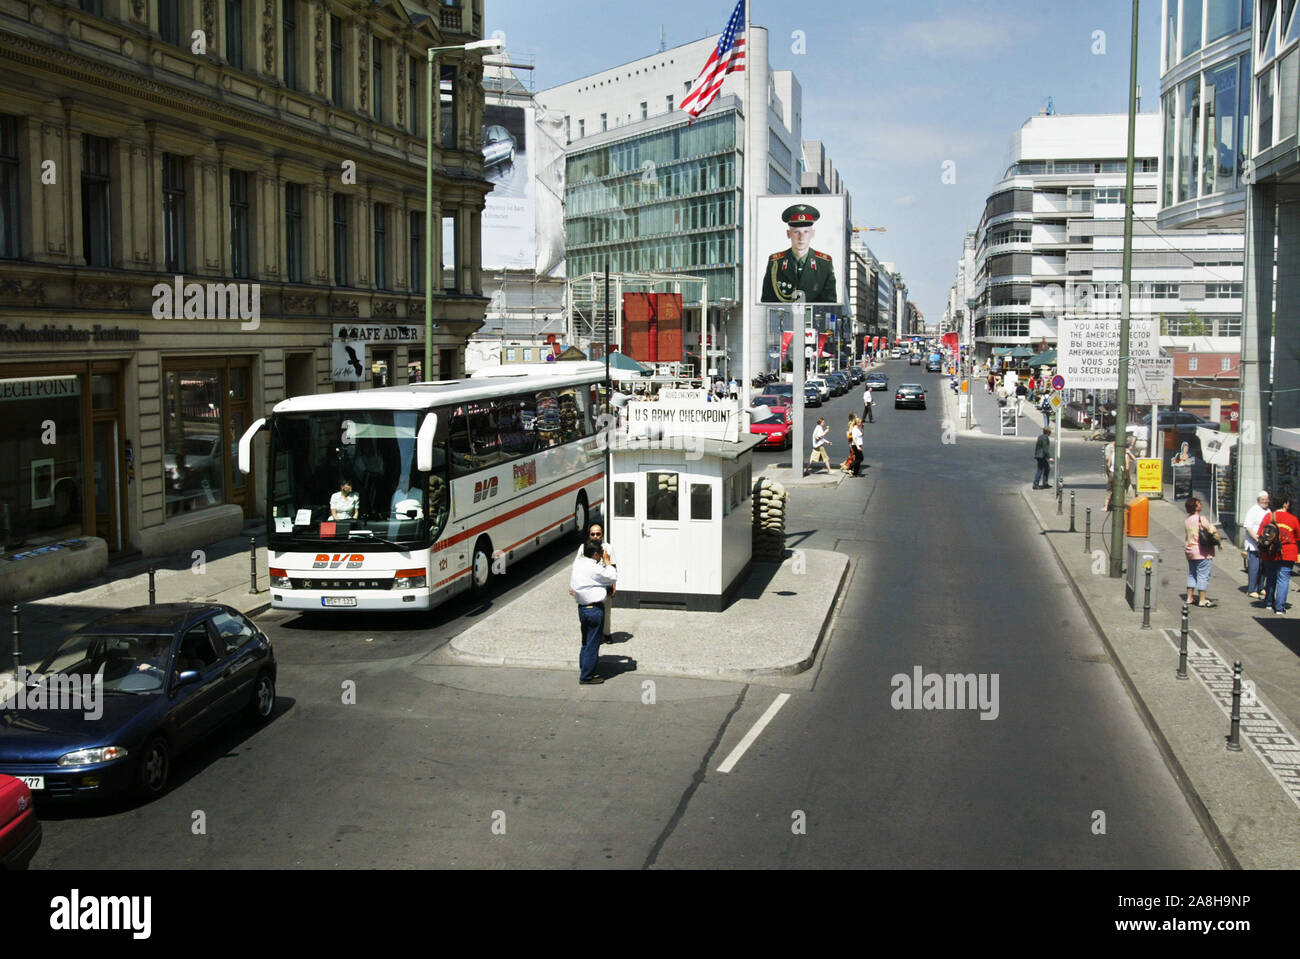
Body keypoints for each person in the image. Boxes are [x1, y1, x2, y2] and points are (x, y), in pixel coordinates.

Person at [760, 204, 837, 303]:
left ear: (812, 234)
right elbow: (767, 300)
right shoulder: (776, 262)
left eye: (806, 232)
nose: (801, 237)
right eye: (796, 232)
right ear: (788, 234)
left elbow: (830, 302)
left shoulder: (824, 263)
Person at [570, 539, 617, 684]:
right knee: (593, 643)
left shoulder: (578, 564)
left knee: (585, 641)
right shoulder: (595, 568)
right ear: (596, 554)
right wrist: (607, 562)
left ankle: (584, 667)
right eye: (601, 554)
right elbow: (612, 576)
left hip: (582, 608)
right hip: (595, 609)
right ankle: (586, 676)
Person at [1258, 489, 1299, 615]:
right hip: (1287, 552)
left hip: (1270, 552)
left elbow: (1261, 534)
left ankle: (1269, 603)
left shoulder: (1269, 516)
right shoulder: (1293, 519)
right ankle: (1280, 608)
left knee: (1270, 577)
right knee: (1284, 579)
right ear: (1286, 503)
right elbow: (1297, 536)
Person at [1184, 496, 1221, 608]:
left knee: (1192, 574)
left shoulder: (1187, 520)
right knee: (1203, 575)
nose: (1201, 505)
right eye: (1199, 503)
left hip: (1190, 550)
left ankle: (1189, 597)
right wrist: (1219, 541)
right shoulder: (1201, 518)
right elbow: (1211, 530)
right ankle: (1202, 599)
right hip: (1202, 551)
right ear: (1195, 507)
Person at [1243, 490, 1271, 599]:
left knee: (1263, 568)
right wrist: (1258, 539)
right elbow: (1248, 527)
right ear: (1258, 500)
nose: (1265, 502)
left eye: (1266, 500)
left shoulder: (1268, 511)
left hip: (1264, 545)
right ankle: (1252, 589)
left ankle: (1261, 587)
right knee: (1254, 568)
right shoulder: (1253, 510)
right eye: (1262, 500)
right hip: (1254, 544)